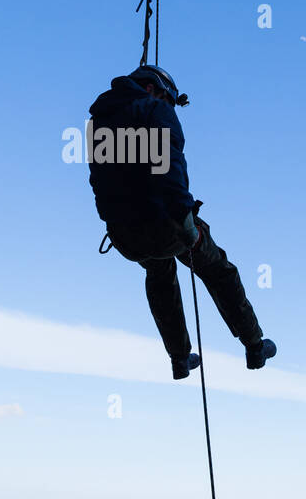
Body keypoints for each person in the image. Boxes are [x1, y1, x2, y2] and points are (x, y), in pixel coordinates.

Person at [88, 64, 276, 380]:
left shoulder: (99, 123)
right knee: (218, 270)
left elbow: (100, 180)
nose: (170, 106)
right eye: (169, 99)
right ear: (152, 89)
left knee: (160, 275)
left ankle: (178, 358)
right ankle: (254, 344)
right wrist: (184, 216)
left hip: (123, 235)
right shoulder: (155, 110)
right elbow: (169, 169)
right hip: (165, 225)